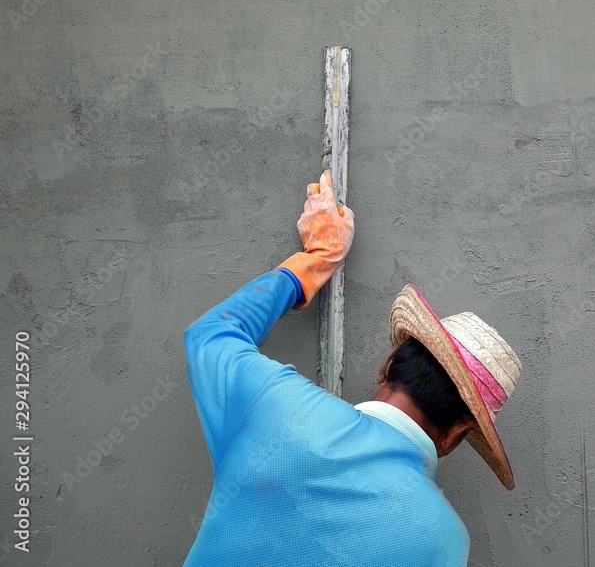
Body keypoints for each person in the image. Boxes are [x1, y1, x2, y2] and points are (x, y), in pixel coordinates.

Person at [182, 170, 522, 566]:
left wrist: (312, 263)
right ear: (458, 434)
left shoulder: (275, 405)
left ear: (388, 365)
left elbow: (210, 334)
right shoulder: (442, 542)